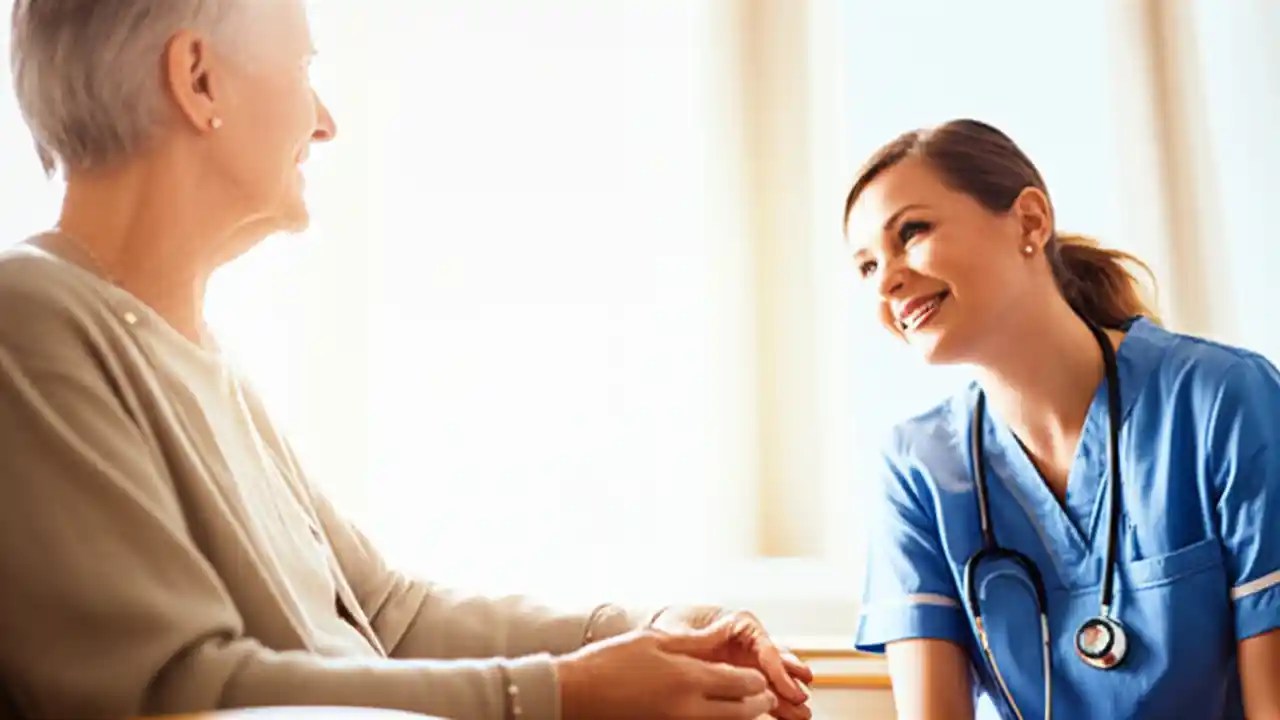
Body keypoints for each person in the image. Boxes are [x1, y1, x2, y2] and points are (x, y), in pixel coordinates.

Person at [0, 2, 814, 719]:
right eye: (304, 70)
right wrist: (566, 694)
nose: (324, 122)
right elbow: (172, 693)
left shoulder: (203, 358)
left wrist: (647, 635)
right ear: (199, 79)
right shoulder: (30, 318)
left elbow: (387, 615)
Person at [844, 119, 1280, 719]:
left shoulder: (1224, 399)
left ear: (1029, 220)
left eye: (911, 232)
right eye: (866, 266)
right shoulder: (918, 468)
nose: (887, 280)